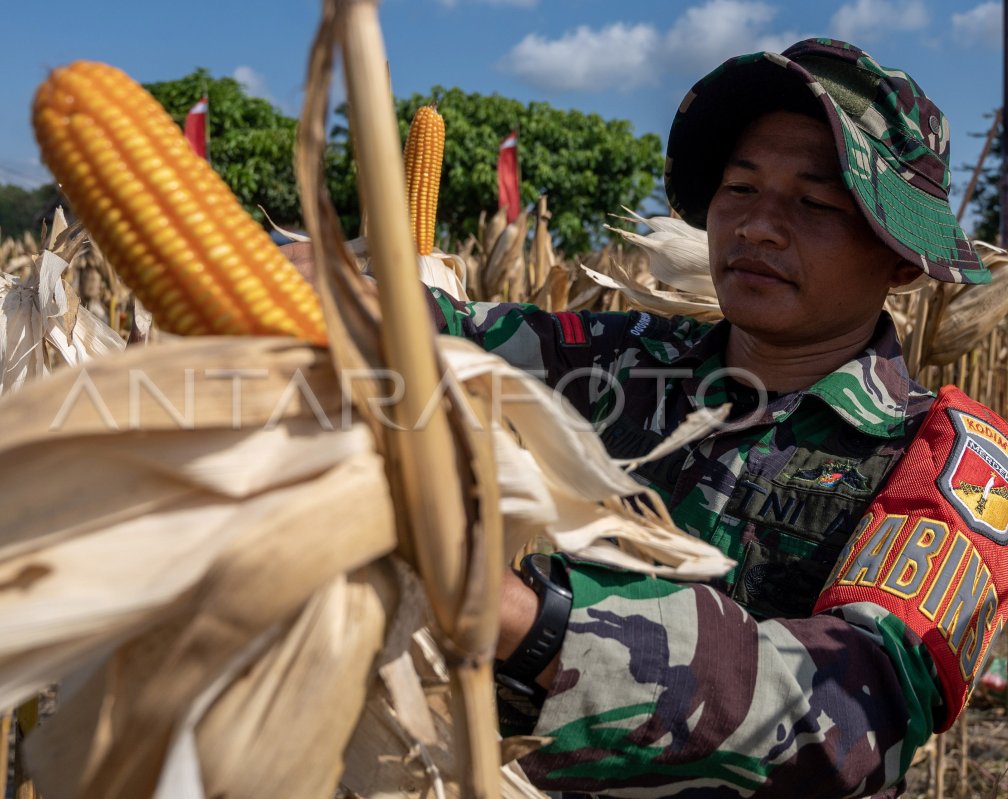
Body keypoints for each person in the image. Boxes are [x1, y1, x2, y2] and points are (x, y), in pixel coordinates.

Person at [425, 39, 1006, 798]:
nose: (757, 226)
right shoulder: (627, 360)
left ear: (902, 260)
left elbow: (849, 708)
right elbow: (439, 337)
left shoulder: (947, 459)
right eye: (740, 187)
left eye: (816, 202)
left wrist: (535, 622)